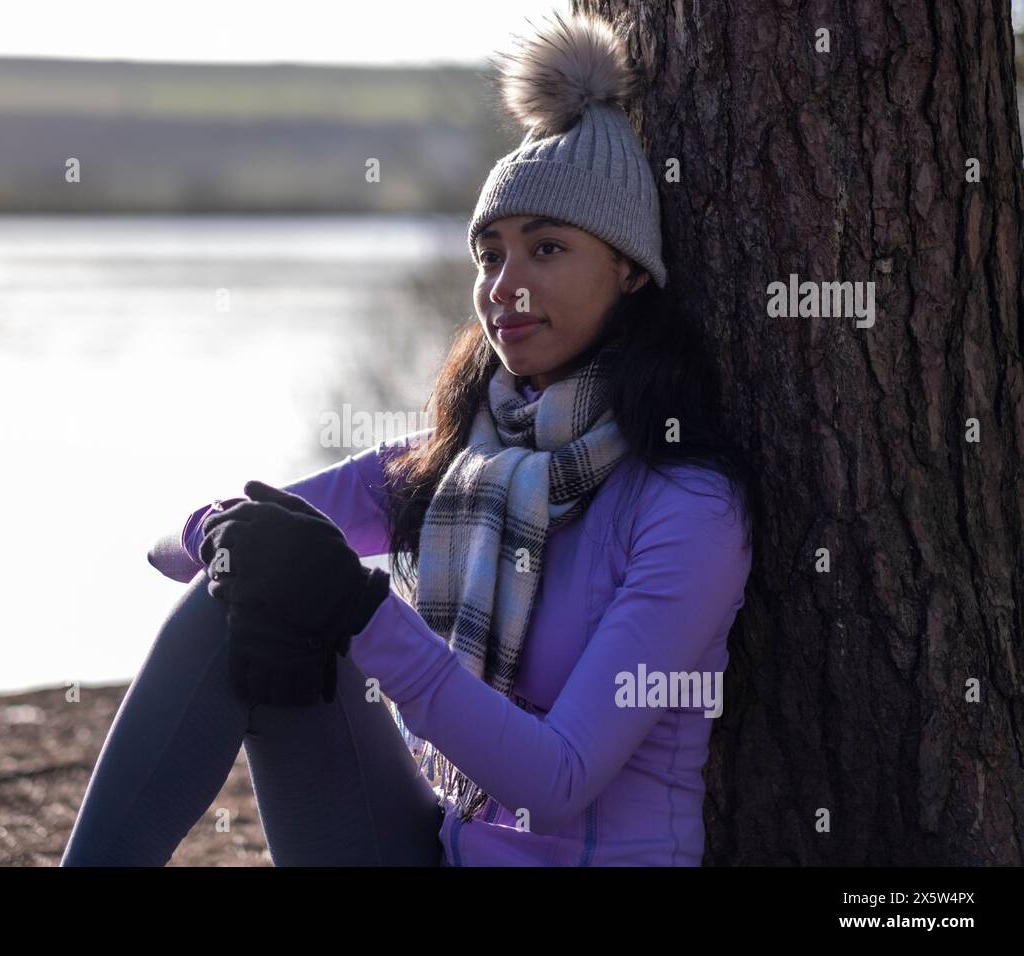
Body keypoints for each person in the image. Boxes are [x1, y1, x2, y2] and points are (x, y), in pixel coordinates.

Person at [59, 7, 756, 867]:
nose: (506, 284)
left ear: (627, 269)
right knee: (240, 587)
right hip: (437, 855)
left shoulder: (686, 505)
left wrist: (360, 612)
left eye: (546, 249)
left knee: (285, 584)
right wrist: (226, 537)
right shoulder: (454, 464)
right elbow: (178, 548)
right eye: (489, 255)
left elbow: (562, 778)